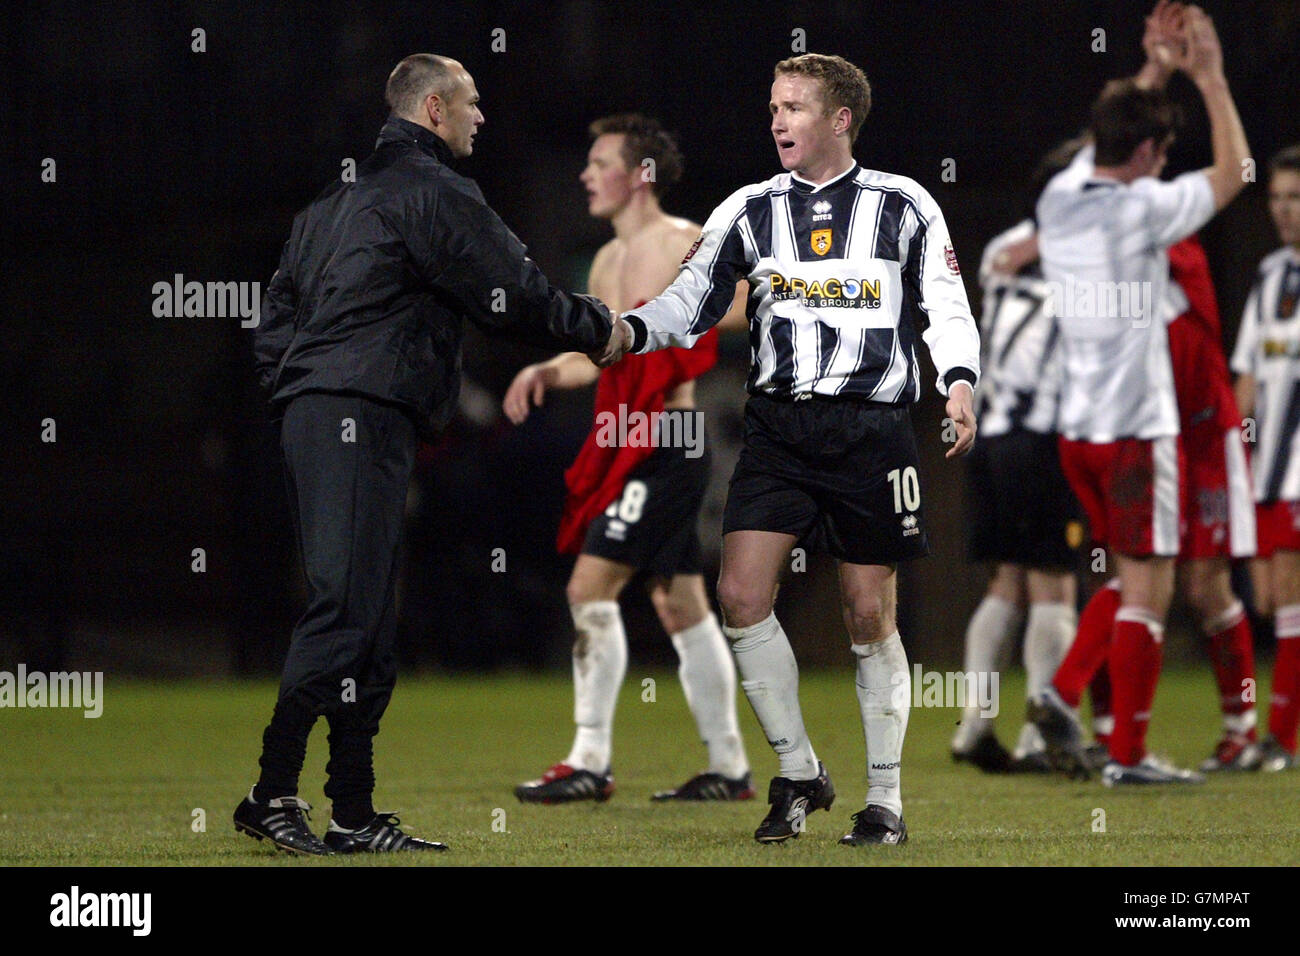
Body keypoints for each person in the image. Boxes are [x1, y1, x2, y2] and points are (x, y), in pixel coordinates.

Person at [597, 53, 980, 846]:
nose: (778, 120)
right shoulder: (747, 209)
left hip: (872, 431)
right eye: (774, 106)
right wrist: (629, 330)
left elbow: (945, 300)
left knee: (868, 610)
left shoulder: (903, 205)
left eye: (796, 107)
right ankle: (799, 769)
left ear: (840, 119)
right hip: (778, 429)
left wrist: (960, 380)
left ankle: (886, 803)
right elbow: (689, 303)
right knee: (739, 597)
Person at [241, 54, 617, 854]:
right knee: (348, 607)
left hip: (334, 413)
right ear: (437, 108)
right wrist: (603, 331)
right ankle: (271, 792)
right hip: (359, 414)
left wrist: (297, 390)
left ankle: (350, 809)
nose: (483, 117)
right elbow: (514, 292)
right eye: (474, 103)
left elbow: (274, 317)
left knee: (369, 616)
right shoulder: (436, 192)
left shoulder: (331, 201)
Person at [1029, 4, 1252, 786]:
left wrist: (1154, 74)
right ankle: (1129, 757)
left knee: (1126, 586)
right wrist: (1211, 79)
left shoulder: (1060, 198)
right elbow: (1235, 174)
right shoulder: (1144, 208)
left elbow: (1109, 137)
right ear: (1152, 151)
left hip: (1078, 431)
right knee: (1148, 596)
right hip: (1137, 431)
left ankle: (1073, 707)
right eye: (1160, 150)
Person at [504, 114, 753, 803]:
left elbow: (750, 300)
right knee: (679, 602)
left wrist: (677, 314)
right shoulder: (607, 261)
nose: (585, 174)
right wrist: (553, 372)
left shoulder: (687, 240)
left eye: (600, 161)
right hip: (624, 439)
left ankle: (590, 760)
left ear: (639, 175)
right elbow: (605, 352)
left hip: (668, 440)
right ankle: (730, 768)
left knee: (588, 588)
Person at [951, 156, 1084, 773]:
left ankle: (974, 727)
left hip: (995, 432)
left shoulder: (1005, 247)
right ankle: (1039, 734)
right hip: (1042, 435)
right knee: (1053, 581)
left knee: (1007, 581)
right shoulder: (1084, 255)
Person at [1230, 144, 1300, 771]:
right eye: (1276, 197)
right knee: (1273, 602)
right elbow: (1247, 378)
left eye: (1295, 197)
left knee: (1292, 601)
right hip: (1271, 474)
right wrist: (1233, 453)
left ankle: (1280, 739)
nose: (1284, 210)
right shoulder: (1272, 275)